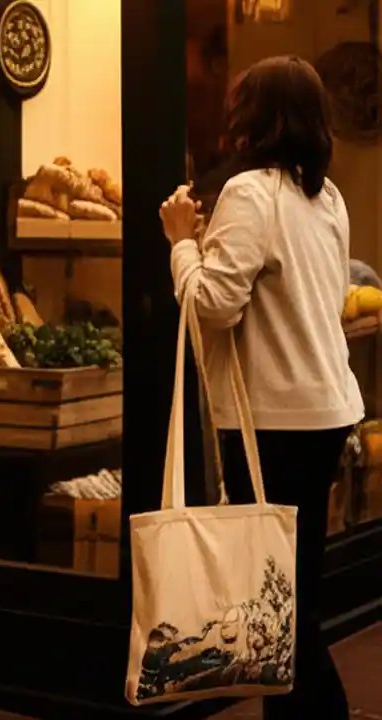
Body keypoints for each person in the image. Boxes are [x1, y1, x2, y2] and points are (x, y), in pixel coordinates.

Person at [160, 55, 363, 719]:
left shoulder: (250, 193)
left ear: (256, 118)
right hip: (326, 409)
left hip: (275, 423)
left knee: (280, 608)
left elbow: (212, 305)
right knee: (292, 594)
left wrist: (181, 242)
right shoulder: (325, 199)